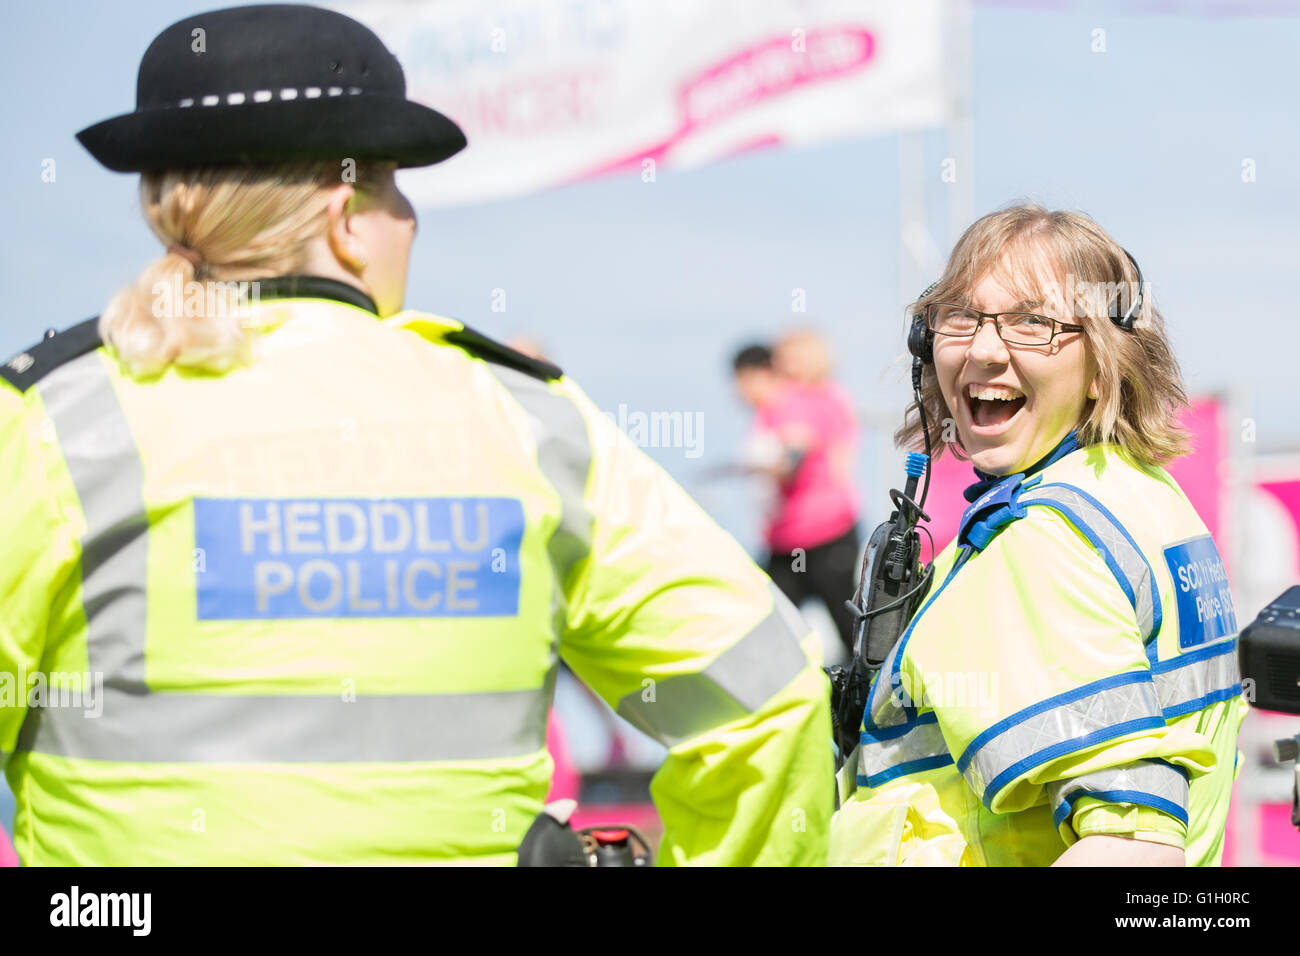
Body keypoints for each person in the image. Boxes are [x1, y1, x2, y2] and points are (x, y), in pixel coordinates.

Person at [0, 4, 833, 866]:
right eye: (396, 186)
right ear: (344, 217)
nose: (410, 219)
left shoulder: (51, 417)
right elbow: (769, 702)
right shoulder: (527, 420)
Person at [830, 204, 1248, 866]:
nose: (986, 349)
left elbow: (1133, 844)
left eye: (1034, 324)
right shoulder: (1140, 495)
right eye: (961, 317)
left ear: (1104, 360)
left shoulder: (1034, 542)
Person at [732, 342, 861, 655]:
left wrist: (762, 466)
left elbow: (793, 458)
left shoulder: (792, 402)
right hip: (785, 543)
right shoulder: (770, 411)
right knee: (767, 628)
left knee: (852, 632)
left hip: (825, 535)